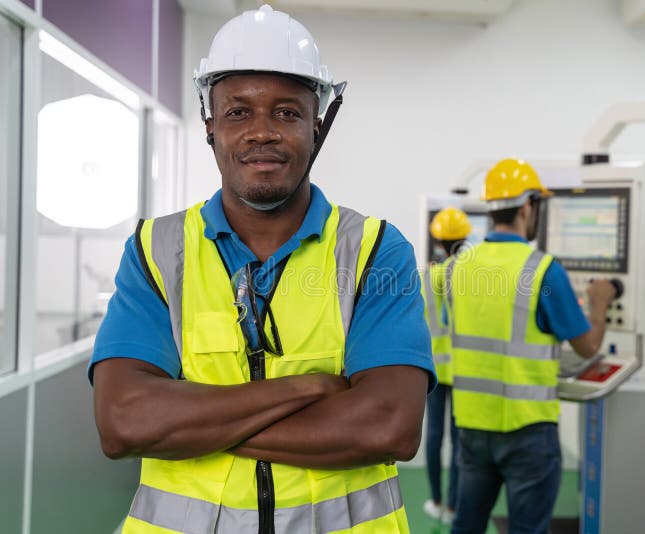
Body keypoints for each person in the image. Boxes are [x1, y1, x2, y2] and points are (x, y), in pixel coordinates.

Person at [89, 6, 434, 533]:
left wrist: (186, 421)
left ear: (317, 126)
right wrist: (307, 389)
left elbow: (389, 427)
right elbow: (122, 423)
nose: (262, 133)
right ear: (210, 126)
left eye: (287, 113)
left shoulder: (375, 252)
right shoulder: (154, 252)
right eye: (238, 112)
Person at [442, 159, 617, 534]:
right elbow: (587, 347)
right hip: (528, 430)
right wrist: (600, 303)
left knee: (467, 525)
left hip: (473, 423)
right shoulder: (542, 269)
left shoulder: (460, 266)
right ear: (527, 207)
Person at [421, 207, 472, 525]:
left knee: (434, 436)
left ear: (436, 239)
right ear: (465, 237)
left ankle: (436, 500)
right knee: (458, 440)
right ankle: (454, 506)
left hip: (434, 370)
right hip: (464, 369)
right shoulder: (472, 277)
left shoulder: (425, 276)